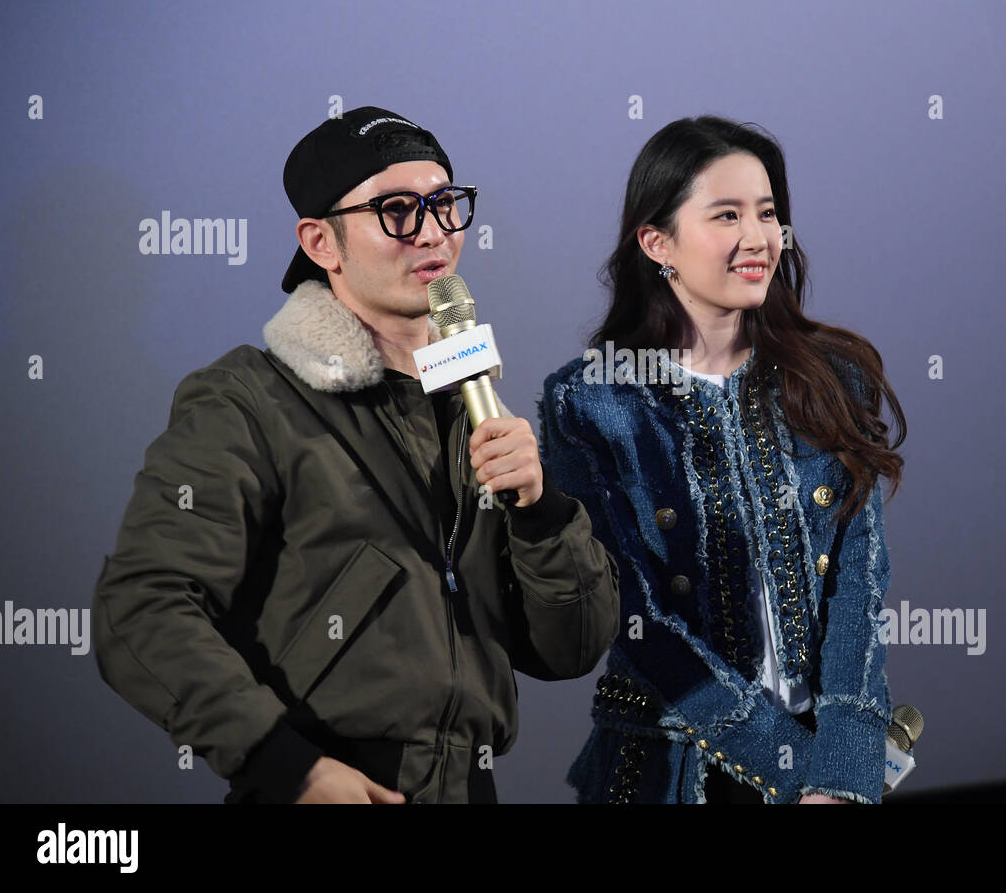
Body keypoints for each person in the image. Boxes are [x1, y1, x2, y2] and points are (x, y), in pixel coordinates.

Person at [92, 106, 620, 804]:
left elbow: (570, 651)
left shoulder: (475, 408)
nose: (433, 232)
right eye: (397, 211)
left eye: (445, 204)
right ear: (321, 242)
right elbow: (140, 606)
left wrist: (541, 512)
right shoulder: (247, 399)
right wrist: (285, 766)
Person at [539, 115, 906, 804]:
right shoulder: (590, 401)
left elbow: (860, 588)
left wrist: (845, 773)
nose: (758, 238)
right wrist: (794, 769)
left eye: (768, 214)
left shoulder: (833, 376)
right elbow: (638, 620)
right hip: (664, 776)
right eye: (727, 215)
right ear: (657, 243)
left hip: (830, 778)